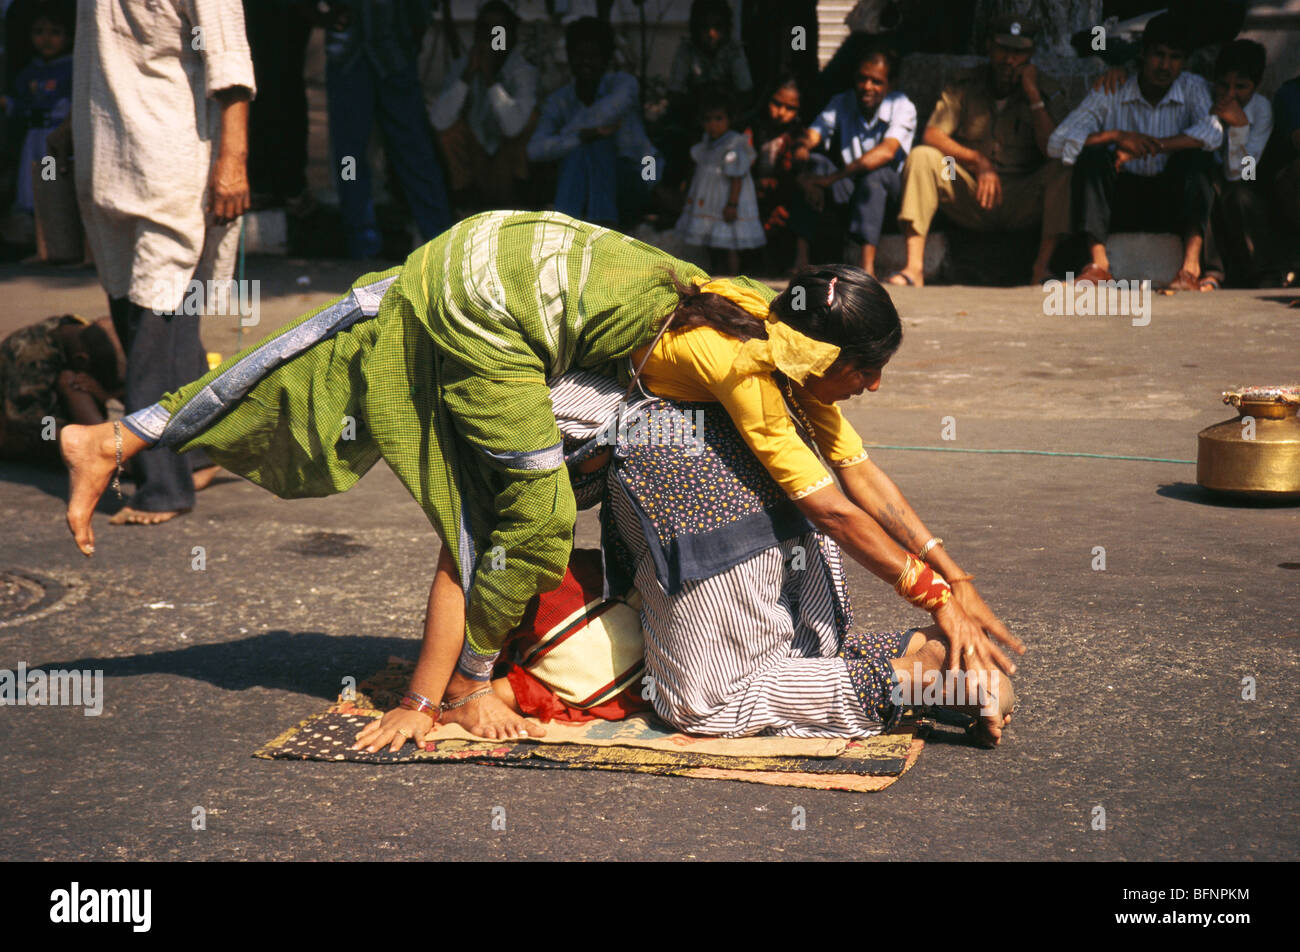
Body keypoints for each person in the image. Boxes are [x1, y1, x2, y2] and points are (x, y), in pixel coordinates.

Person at [60, 210, 1021, 751]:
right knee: (361, 349)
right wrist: (945, 579)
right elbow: (844, 492)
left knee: (699, 706)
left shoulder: (745, 350)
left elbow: (842, 486)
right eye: (870, 371)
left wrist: (433, 699)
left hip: (706, 517)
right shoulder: (745, 351)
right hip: (772, 549)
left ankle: (904, 683)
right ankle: (129, 433)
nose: (876, 389)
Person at [47, 0, 253, 526]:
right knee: (140, 313)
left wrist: (233, 160)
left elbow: (230, 64)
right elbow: (102, 51)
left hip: (174, 161)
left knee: (158, 320)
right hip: (108, 159)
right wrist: (74, 121)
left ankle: (161, 485)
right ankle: (197, 453)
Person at [889, 16, 1071, 288]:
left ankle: (1041, 270)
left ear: (1031, 54)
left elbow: (1052, 150)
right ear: (989, 47)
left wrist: (1033, 96)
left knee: (1063, 168)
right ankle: (913, 268)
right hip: (969, 190)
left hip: (1021, 196)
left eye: (1019, 52)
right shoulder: (965, 84)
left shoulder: (1047, 90)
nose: (1009, 60)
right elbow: (933, 134)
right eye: (1003, 49)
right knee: (924, 157)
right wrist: (977, 161)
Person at [1046, 14, 1223, 290]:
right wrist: (1116, 137)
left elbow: (1213, 134)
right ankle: (1098, 264)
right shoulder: (1113, 87)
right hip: (1120, 201)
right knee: (1092, 156)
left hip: (1170, 200)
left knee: (1199, 158)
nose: (1165, 65)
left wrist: (1149, 147)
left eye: (1174, 57)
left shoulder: (1192, 87)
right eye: (1158, 55)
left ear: (1184, 62)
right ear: (1143, 54)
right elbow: (1057, 142)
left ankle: (1191, 267)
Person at [790, 42, 916, 277]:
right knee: (816, 164)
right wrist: (802, 149)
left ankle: (866, 266)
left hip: (888, 195)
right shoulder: (842, 101)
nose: (867, 87)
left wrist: (832, 178)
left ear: (891, 84)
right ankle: (801, 258)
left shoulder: (902, 106)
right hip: (849, 187)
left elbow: (887, 152)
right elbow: (815, 133)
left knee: (874, 176)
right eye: (862, 79)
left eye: (876, 81)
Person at [525, 16, 656, 228]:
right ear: (569, 57)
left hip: (632, 178)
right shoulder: (560, 100)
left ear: (607, 59)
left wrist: (578, 136)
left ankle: (571, 226)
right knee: (583, 149)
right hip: (580, 180)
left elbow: (606, 115)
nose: (586, 62)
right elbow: (535, 150)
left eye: (594, 55)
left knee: (598, 147)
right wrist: (581, 136)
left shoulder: (623, 85)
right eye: (579, 55)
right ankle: (585, 226)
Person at [428, 0, 537, 210]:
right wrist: (467, 77)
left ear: (511, 35)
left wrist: (489, 79)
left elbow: (513, 127)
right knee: (450, 129)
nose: (492, 37)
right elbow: (438, 121)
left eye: (499, 31)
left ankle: (515, 201)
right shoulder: (464, 67)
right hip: (476, 164)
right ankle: (466, 201)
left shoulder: (523, 70)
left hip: (507, 167)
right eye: (485, 30)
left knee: (530, 120)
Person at [1200, 40, 1275, 289]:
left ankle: (1261, 271)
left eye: (1240, 87)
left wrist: (1240, 127)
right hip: (1213, 176)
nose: (1230, 94)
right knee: (1203, 187)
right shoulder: (1206, 99)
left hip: (1249, 177)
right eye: (1224, 85)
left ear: (1256, 85)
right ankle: (1213, 272)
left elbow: (1243, 172)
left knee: (1241, 195)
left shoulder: (1262, 110)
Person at [0, 314, 119, 464]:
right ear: (81, 359)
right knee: (70, 381)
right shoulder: (29, 358)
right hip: (21, 426)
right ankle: (108, 454)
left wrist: (105, 394)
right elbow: (40, 428)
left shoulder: (72, 330)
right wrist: (80, 440)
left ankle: (110, 450)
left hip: (49, 411)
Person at [675, 86, 765, 275]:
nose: (712, 125)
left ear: (730, 119)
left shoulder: (733, 144)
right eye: (707, 120)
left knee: (729, 242)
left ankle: (734, 278)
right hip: (708, 204)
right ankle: (714, 277)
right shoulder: (706, 143)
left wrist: (732, 204)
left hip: (726, 203)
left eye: (718, 119)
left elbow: (737, 177)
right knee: (712, 242)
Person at [2, 1, 71, 217]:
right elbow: (21, 104)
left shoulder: (70, 68)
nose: (46, 39)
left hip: (54, 137)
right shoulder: (30, 71)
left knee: (48, 180)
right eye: (39, 32)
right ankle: (32, 229)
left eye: (55, 32)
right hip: (34, 137)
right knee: (28, 183)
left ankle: (51, 231)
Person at [745, 73, 807, 274]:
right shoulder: (754, 129)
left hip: (781, 197)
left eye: (790, 108)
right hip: (751, 193)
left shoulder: (796, 135)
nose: (781, 112)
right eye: (777, 104)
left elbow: (793, 174)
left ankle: (792, 263)